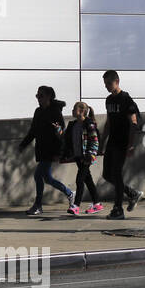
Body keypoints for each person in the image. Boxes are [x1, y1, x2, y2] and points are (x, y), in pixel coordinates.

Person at [19, 86, 75, 215]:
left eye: (41, 96)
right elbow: (33, 131)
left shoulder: (55, 111)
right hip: (41, 148)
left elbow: (62, 133)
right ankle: (69, 193)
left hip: (51, 149)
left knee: (38, 175)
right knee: (47, 178)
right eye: (37, 96)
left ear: (49, 96)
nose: (38, 98)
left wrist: (59, 152)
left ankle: (38, 205)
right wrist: (23, 144)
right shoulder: (38, 111)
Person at [100, 70, 143, 219]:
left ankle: (118, 210)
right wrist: (102, 142)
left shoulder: (126, 99)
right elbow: (109, 123)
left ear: (117, 81)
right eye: (105, 84)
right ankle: (132, 193)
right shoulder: (109, 100)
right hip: (112, 141)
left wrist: (130, 145)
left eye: (109, 83)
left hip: (122, 142)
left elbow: (133, 123)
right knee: (107, 174)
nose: (106, 86)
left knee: (117, 174)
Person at [64, 101, 102, 215]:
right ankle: (97, 204)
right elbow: (65, 138)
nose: (72, 111)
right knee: (88, 180)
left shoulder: (88, 124)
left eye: (74, 109)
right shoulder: (73, 125)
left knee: (79, 180)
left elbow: (94, 140)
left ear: (81, 111)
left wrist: (90, 154)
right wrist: (58, 131)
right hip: (78, 157)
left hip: (87, 157)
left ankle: (76, 206)